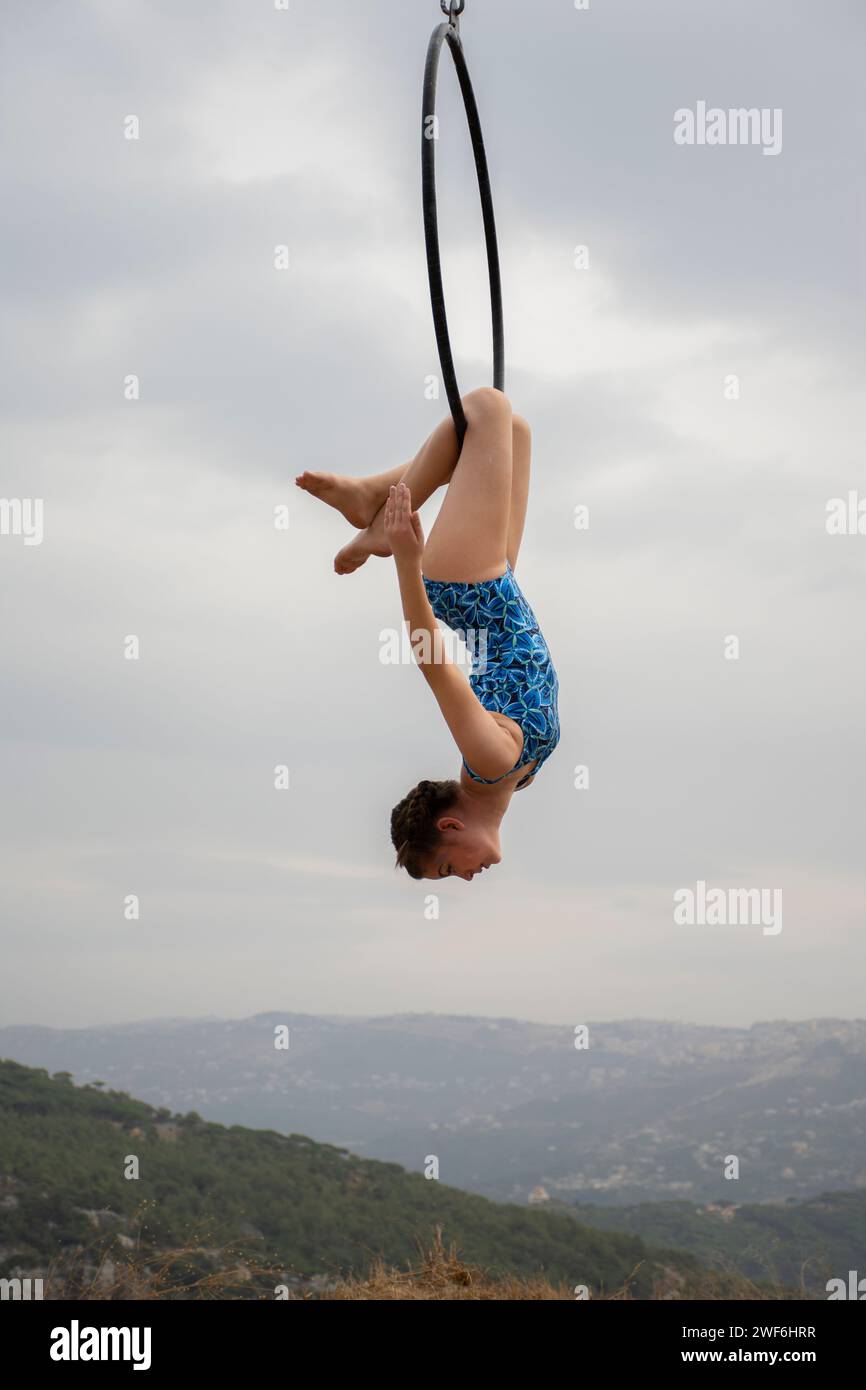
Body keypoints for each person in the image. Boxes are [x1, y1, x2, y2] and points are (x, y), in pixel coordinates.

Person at [296, 388, 560, 882]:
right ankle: (375, 491)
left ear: (451, 825)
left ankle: (377, 519)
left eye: (446, 865)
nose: (464, 877)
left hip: (467, 587)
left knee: (485, 408)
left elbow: (432, 662)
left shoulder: (491, 761)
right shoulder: (510, 782)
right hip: (498, 587)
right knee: (513, 431)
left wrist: (405, 562)